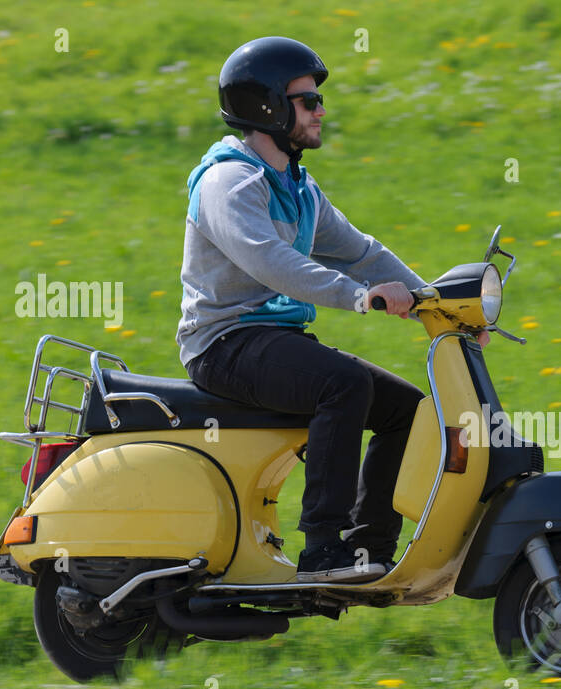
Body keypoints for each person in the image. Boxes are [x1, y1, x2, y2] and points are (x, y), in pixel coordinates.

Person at [177, 37, 473, 582]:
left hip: (274, 342)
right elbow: (272, 263)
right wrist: (359, 297)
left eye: (319, 100)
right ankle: (322, 551)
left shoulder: (297, 186)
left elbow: (360, 251)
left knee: (405, 410)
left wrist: (434, 302)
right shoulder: (229, 183)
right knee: (344, 386)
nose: (320, 110)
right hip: (224, 344)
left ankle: (367, 551)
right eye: (307, 101)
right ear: (267, 107)